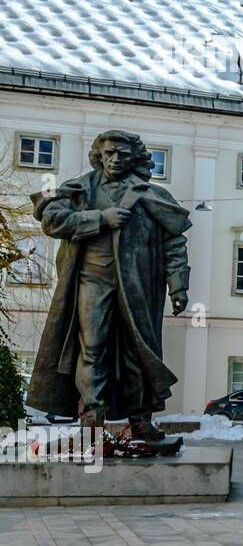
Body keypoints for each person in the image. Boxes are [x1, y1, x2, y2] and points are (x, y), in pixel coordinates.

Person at [27, 131, 190, 441]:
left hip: (140, 284)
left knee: (139, 351)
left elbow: (175, 241)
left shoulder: (152, 194)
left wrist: (178, 285)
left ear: (136, 159)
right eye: (110, 153)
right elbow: (52, 221)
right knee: (92, 349)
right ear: (99, 155)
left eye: (123, 155)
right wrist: (101, 218)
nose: (116, 160)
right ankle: (92, 421)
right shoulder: (81, 189)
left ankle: (140, 420)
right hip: (92, 279)